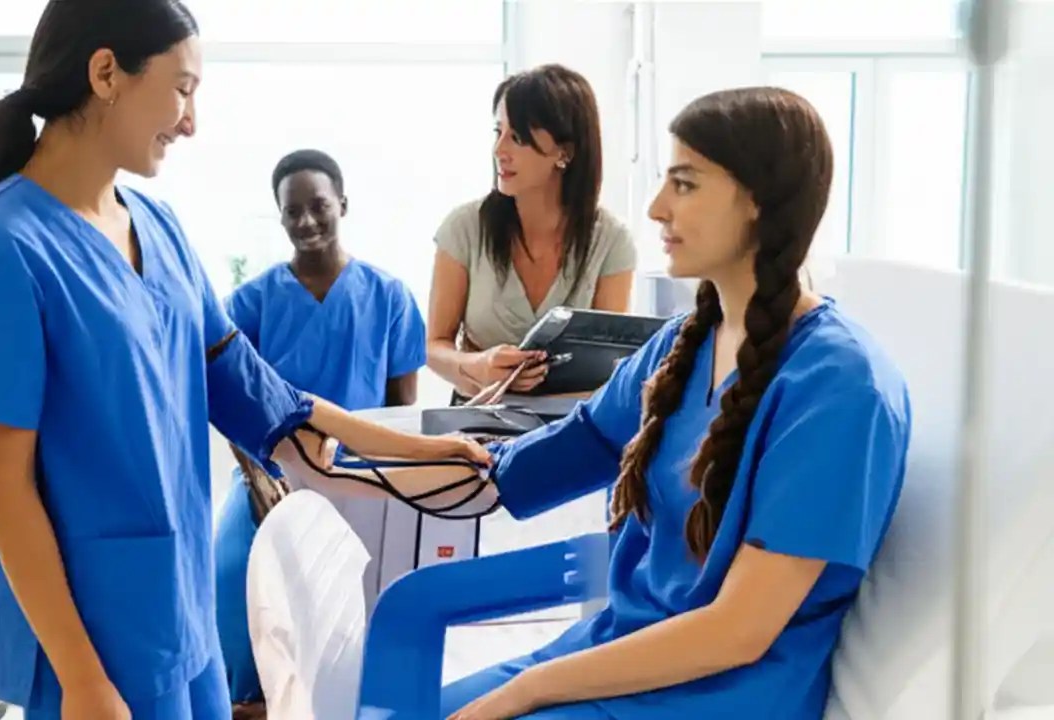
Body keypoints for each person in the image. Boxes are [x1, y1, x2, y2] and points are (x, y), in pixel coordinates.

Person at [0, 3, 484, 719]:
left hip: (179, 611)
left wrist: (425, 452)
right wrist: (83, 679)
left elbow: (267, 400)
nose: (190, 121)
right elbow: (4, 488)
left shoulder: (157, 227)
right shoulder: (0, 247)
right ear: (106, 74)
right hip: (89, 639)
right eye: (183, 88)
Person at [290, 87, 912, 719]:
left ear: (758, 201)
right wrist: (336, 460)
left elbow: (738, 631)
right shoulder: (679, 347)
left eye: (686, 184)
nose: (656, 207)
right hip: (613, 653)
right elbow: (504, 474)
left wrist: (530, 688)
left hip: (720, 695)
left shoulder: (840, 388)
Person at [213, 148, 426, 715]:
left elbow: (401, 407)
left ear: (343, 205)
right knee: (234, 568)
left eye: (319, 206)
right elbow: (232, 403)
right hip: (271, 471)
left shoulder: (389, 297)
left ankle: (368, 694)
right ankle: (251, 703)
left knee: (382, 580)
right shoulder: (252, 302)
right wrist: (258, 480)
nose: (306, 221)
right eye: (292, 211)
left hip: (360, 471)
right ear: (279, 216)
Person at [427, 63, 637, 403]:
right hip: (477, 420)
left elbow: (610, 365)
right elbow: (436, 347)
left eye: (518, 137)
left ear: (564, 152)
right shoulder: (463, 228)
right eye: (498, 132)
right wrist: (477, 366)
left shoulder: (611, 240)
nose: (499, 151)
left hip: (571, 425)